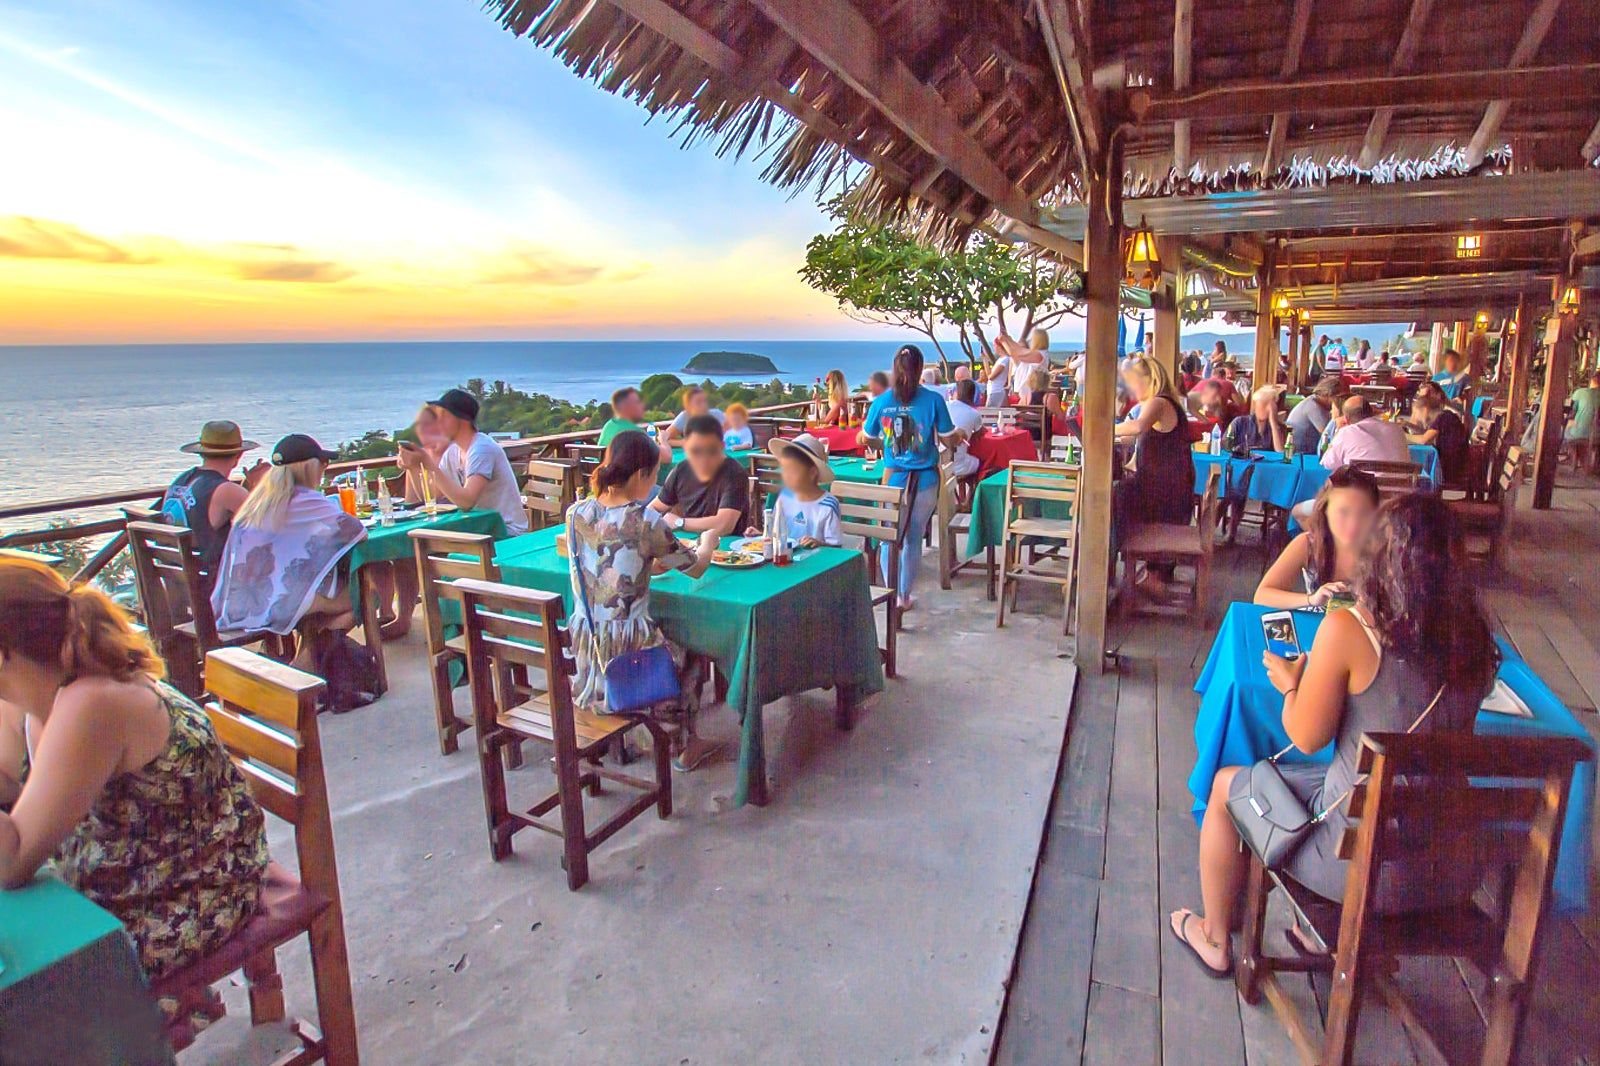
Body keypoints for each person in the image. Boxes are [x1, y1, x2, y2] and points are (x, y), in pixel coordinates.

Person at [1170, 495, 1498, 975]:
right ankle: (1316, 934)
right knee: (1354, 791)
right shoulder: (1474, 643)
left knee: (1224, 788)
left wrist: (1289, 686)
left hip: (1357, 871)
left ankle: (1216, 938)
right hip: (1451, 866)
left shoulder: (1352, 629)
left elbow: (1303, 736)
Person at [0, 558, 269, 980]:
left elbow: (11, 863)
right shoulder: (32, 693)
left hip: (189, 894)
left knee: (37, 989)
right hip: (131, 874)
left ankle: (137, 1037)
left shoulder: (92, 700)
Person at [566, 431, 722, 771]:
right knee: (693, 644)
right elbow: (695, 568)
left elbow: (618, 556)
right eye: (653, 476)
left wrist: (649, 561)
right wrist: (708, 541)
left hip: (586, 649)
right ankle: (683, 742)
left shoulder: (575, 513)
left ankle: (629, 734)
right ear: (641, 475)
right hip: (629, 650)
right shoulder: (644, 520)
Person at [210, 434, 366, 670]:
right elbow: (357, 531)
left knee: (321, 594)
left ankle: (305, 661)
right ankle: (305, 665)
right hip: (281, 601)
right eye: (322, 465)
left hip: (242, 601)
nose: (324, 469)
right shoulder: (306, 500)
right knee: (366, 593)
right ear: (309, 468)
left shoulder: (257, 502)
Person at [859, 344, 964, 611]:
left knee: (887, 539)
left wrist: (866, 437)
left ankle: (889, 593)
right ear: (920, 370)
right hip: (926, 479)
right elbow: (947, 436)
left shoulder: (881, 402)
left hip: (893, 479)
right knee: (913, 538)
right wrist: (960, 433)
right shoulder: (934, 400)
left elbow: (868, 439)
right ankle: (904, 596)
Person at [1113, 356, 1195, 597]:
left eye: (1134, 382)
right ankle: (1150, 572)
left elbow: (1137, 427)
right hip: (1172, 493)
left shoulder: (1159, 402)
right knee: (1119, 494)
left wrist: (1104, 425)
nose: (1131, 388)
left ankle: (1118, 566)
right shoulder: (1168, 404)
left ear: (1149, 380)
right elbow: (1155, 449)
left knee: (1110, 503)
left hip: (1168, 498)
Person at [395, 389, 529, 536]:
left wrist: (428, 464)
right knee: (423, 542)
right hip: (479, 529)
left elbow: (466, 502)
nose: (438, 422)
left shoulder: (481, 449)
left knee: (427, 544)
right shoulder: (453, 451)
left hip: (506, 531)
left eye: (443, 416)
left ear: (462, 419)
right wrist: (414, 467)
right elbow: (432, 498)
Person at [1254, 466, 1380, 609]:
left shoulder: (1383, 548)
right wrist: (1312, 599)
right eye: (1343, 512)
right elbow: (1262, 596)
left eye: (1363, 513)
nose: (1353, 524)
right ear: (1325, 510)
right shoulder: (1308, 544)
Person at [162, 421, 268, 588]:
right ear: (237, 457)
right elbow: (270, 525)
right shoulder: (225, 490)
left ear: (202, 453)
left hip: (177, 583)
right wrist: (264, 484)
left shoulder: (181, 481)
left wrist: (249, 487)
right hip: (212, 590)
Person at [652, 413, 750, 538]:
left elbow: (725, 525)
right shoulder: (682, 469)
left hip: (723, 546)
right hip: (688, 545)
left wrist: (680, 522)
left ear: (722, 446)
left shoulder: (735, 474)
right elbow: (655, 507)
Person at [1219, 388, 1288, 543]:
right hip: (1239, 474)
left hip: (1265, 478)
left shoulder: (1278, 428)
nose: (1264, 408)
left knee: (1240, 487)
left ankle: (1233, 531)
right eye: (1262, 404)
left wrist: (1273, 421)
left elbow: (1280, 451)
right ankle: (1221, 532)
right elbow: (1224, 445)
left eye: (1269, 405)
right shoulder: (1240, 422)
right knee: (1232, 489)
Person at [765, 434, 842, 547]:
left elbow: (836, 547)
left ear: (812, 473)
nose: (786, 476)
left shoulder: (828, 505)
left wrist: (819, 543)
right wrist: (761, 535)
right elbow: (775, 532)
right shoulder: (785, 497)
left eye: (793, 471)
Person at [1320, 395, 1409, 471]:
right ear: (1371, 412)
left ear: (1346, 419)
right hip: (1401, 489)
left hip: (1364, 490)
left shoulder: (1346, 433)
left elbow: (1327, 463)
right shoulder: (1396, 429)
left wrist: (1337, 433)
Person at [1406, 383, 1469, 486]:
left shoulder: (1444, 416)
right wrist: (1407, 425)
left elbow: (1424, 440)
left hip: (1450, 468)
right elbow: (1426, 434)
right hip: (1454, 464)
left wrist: (1401, 435)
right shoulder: (1444, 415)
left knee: (1413, 466)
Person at [600, 385, 673, 464]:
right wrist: (663, 439)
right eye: (637, 403)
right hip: (629, 476)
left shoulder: (609, 426)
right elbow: (667, 458)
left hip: (611, 475)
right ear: (626, 407)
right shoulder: (634, 433)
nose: (642, 406)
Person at [1286, 378, 1339, 456]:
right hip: (1300, 454)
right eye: (1338, 398)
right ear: (1329, 395)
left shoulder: (1315, 401)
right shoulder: (1313, 406)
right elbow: (1328, 435)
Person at [945, 378, 985, 479]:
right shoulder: (974, 414)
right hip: (958, 465)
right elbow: (979, 435)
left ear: (956, 392)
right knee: (981, 463)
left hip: (940, 464)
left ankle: (963, 493)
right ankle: (972, 493)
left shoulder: (945, 405)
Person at [662, 385, 726, 445]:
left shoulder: (717, 415)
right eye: (698, 402)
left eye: (704, 401)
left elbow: (730, 435)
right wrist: (684, 443)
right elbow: (665, 439)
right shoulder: (684, 416)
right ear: (688, 405)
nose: (703, 405)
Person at [1565, 371, 1600, 472]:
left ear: (1592, 381)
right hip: (1597, 434)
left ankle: (1574, 460)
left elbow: (1572, 411)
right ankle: (1590, 463)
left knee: (1567, 433)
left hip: (1578, 433)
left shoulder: (1580, 392)